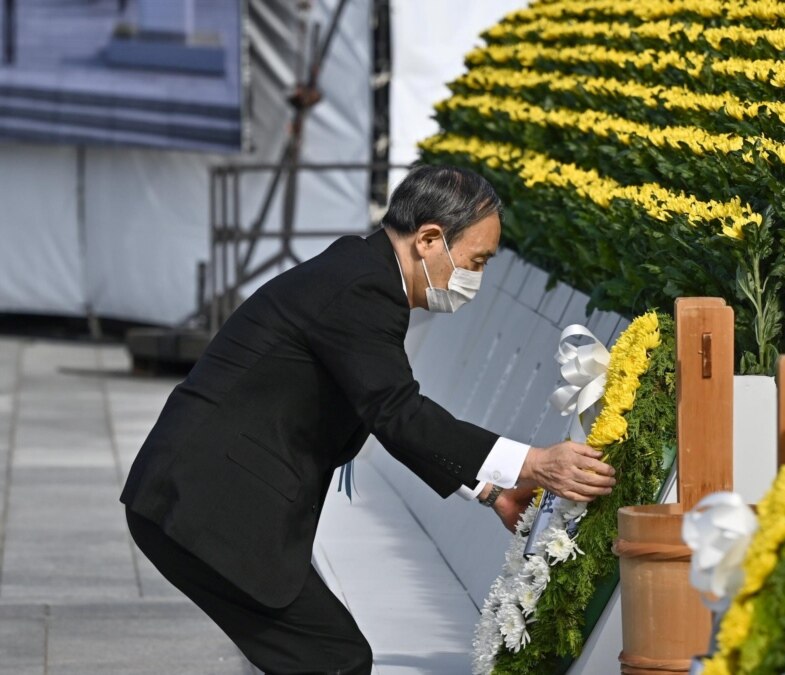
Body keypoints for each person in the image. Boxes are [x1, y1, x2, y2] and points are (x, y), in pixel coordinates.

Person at [120, 165, 617, 674]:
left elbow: (382, 409)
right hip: (207, 502)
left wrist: (492, 491)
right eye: (477, 261)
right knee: (334, 659)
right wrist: (533, 464)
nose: (477, 280)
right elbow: (398, 414)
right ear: (429, 239)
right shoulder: (363, 289)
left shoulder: (362, 272)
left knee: (327, 657)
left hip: (198, 496)